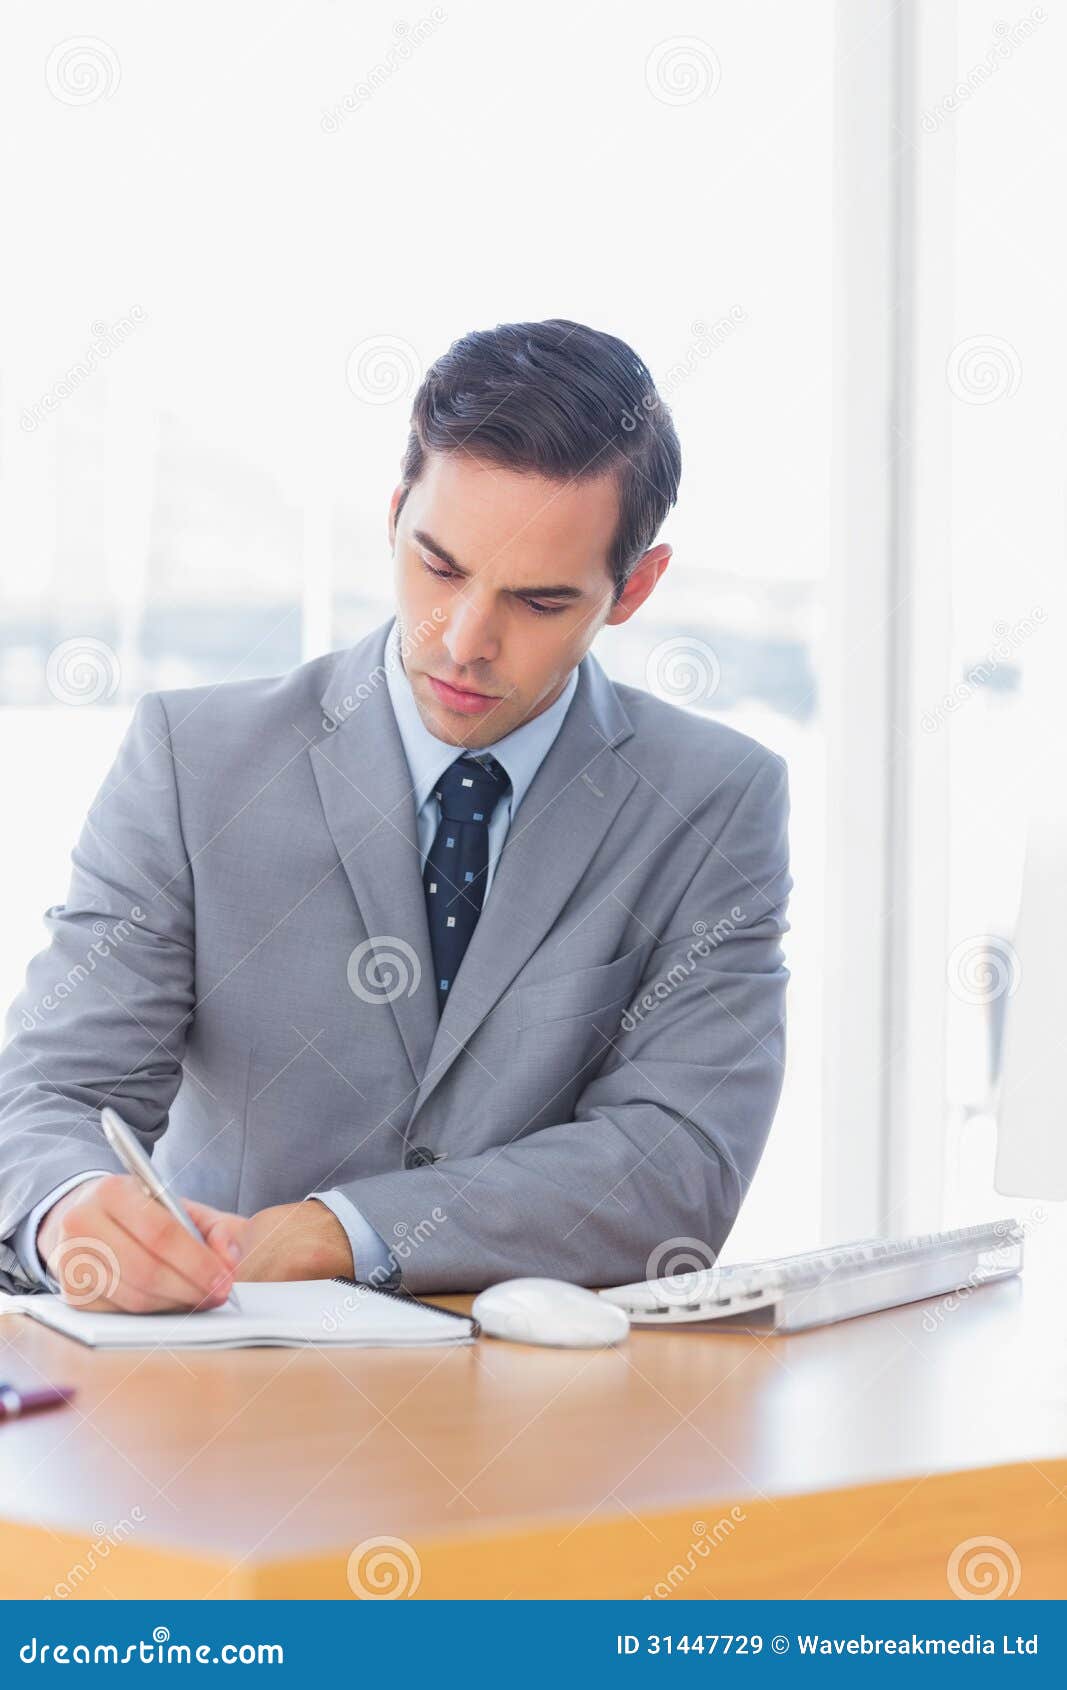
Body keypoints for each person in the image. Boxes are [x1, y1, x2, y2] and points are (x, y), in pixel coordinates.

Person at [0, 318, 791, 1312]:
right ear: (393, 517)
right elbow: (53, 1095)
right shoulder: (194, 761)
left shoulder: (714, 801)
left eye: (539, 602)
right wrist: (69, 1208)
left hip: (533, 1396)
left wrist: (340, 1229)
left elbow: (678, 1163)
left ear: (633, 587)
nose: (463, 641)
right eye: (440, 567)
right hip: (217, 1366)